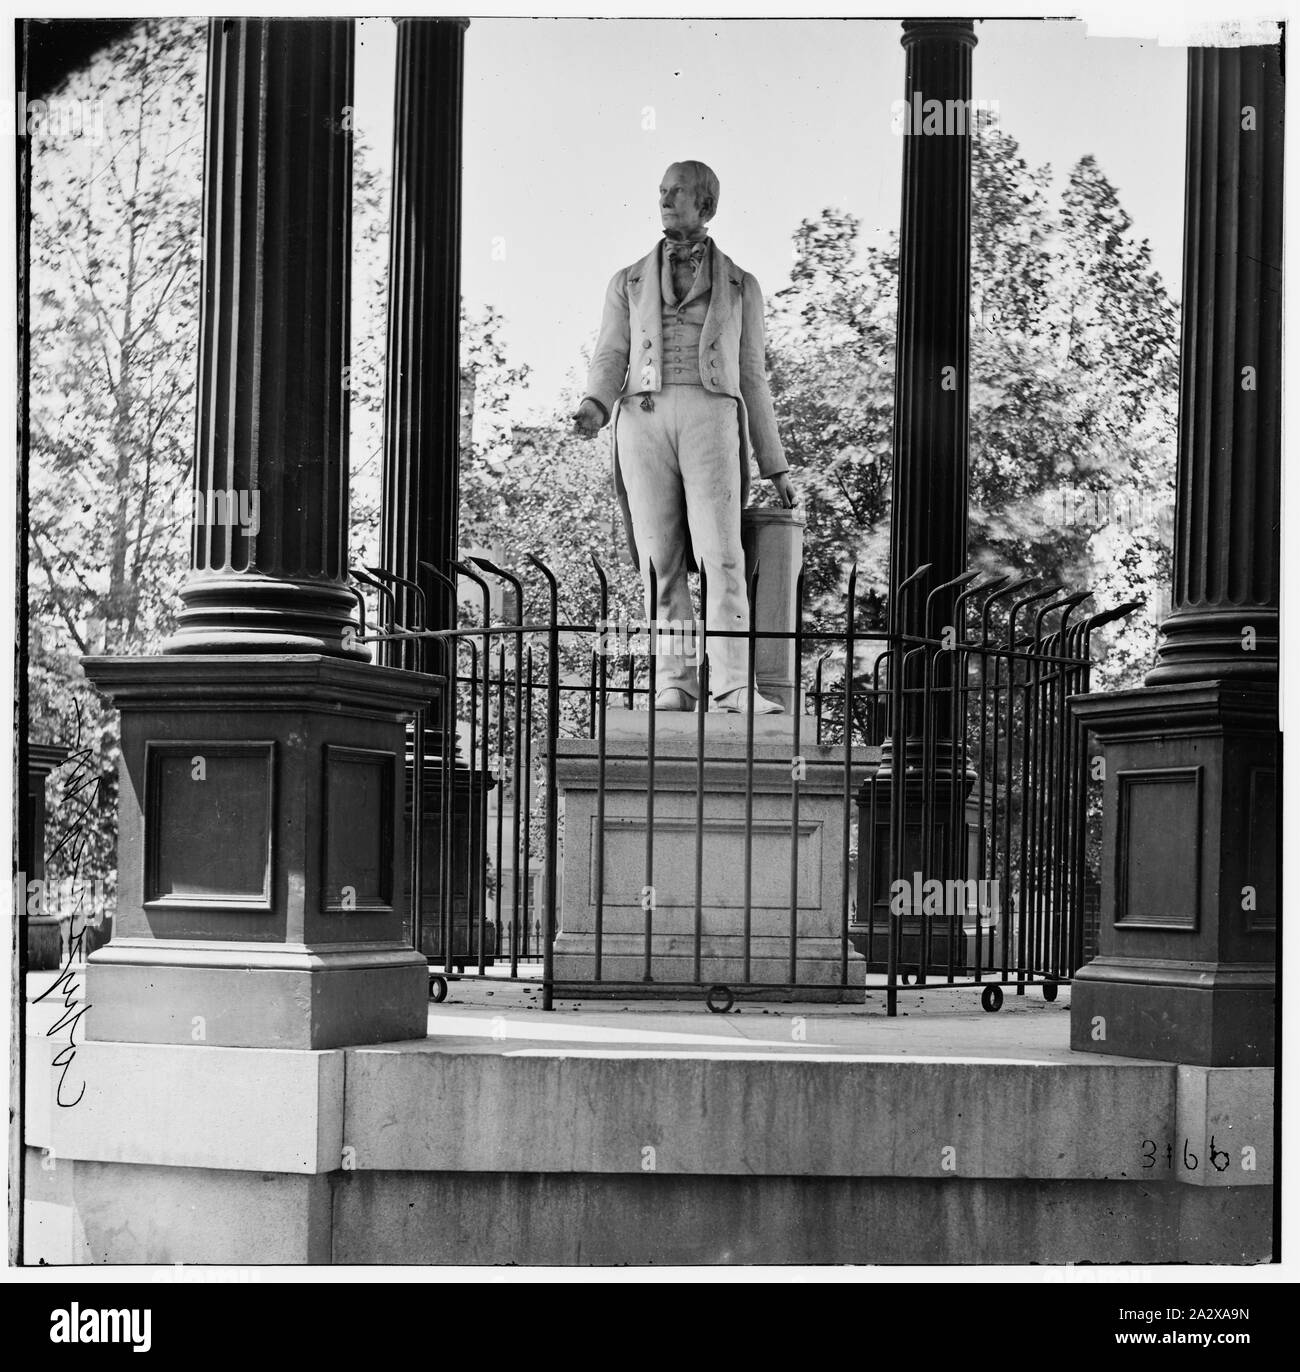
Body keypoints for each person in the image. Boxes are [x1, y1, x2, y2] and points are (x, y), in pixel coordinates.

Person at [573, 160, 796, 713]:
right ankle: (674, 680)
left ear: (707, 205)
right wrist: (594, 406)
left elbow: (752, 375)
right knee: (659, 558)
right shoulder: (626, 280)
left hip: (712, 414)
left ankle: (735, 681)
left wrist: (775, 464)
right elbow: (611, 354)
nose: (666, 200)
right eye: (662, 192)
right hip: (642, 418)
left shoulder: (743, 285)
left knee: (722, 553)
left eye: (678, 192)